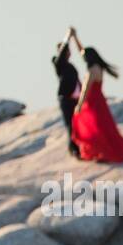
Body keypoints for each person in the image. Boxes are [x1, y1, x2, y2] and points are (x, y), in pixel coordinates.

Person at [67, 29, 123, 163]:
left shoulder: (91, 71)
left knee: (94, 127)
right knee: (105, 127)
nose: (83, 58)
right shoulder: (98, 67)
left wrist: (79, 105)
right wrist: (75, 37)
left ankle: (103, 153)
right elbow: (82, 52)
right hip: (100, 101)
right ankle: (106, 152)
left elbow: (85, 89)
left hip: (92, 102)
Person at [52, 27, 80, 158]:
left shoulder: (70, 66)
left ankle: (78, 147)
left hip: (74, 99)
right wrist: (68, 37)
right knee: (71, 124)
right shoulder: (58, 63)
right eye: (66, 50)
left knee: (77, 123)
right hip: (65, 99)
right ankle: (74, 149)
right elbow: (62, 52)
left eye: (68, 51)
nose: (68, 52)